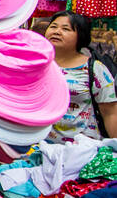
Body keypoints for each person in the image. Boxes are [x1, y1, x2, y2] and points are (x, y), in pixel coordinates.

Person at [44, 11, 117, 141]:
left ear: (80, 36)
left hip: (84, 151)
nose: (57, 31)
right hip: (39, 150)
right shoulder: (37, 65)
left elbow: (110, 113)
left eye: (65, 29)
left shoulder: (95, 68)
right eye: (53, 26)